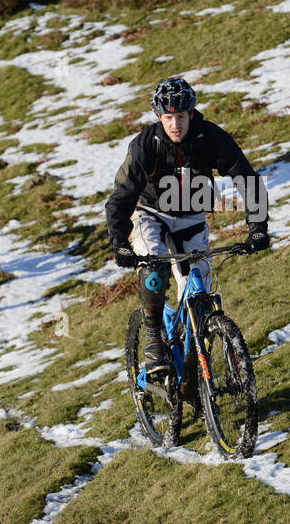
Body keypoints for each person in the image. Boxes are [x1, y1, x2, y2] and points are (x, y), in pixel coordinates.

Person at [105, 76, 270, 379]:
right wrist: (120, 243)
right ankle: (155, 341)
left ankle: (192, 376)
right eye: (168, 117)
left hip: (192, 218)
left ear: (191, 114)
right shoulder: (145, 145)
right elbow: (120, 199)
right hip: (148, 215)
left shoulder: (210, 138)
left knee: (200, 299)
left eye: (180, 116)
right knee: (155, 273)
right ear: (159, 117)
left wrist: (258, 227)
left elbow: (247, 179)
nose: (175, 124)